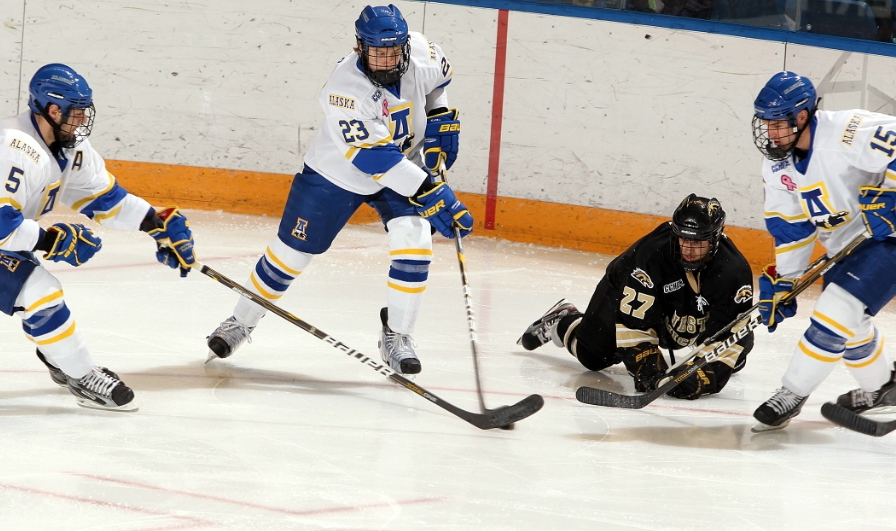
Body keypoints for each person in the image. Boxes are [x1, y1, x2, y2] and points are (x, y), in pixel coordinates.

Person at [205, 4, 472, 375]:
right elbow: (375, 162)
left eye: (392, 52)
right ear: (360, 47)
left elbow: (437, 89)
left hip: (404, 163)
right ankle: (241, 321)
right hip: (338, 173)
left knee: (415, 242)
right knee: (290, 255)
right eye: (376, 52)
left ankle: (398, 336)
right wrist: (432, 192)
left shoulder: (424, 53)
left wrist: (441, 117)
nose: (384, 60)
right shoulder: (344, 89)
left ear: (406, 47)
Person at [0, 63, 196, 411]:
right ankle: (82, 375)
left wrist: (154, 223)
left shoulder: (67, 146)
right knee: (37, 291)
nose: (81, 121)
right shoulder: (15, 146)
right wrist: (50, 241)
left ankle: (62, 361)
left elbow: (105, 198)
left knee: (33, 290)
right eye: (75, 113)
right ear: (52, 109)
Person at [750, 71, 896, 431]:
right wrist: (787, 280)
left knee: (836, 311)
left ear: (801, 116)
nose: (770, 132)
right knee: (851, 326)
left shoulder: (848, 130)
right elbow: (792, 227)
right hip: (851, 245)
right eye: (765, 123)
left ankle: (791, 392)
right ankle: (884, 390)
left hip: (890, 237)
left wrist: (893, 194)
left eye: (776, 123)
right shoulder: (777, 165)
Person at [518, 194, 754, 400]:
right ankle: (564, 320)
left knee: (739, 345)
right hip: (624, 290)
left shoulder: (733, 271)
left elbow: (730, 334)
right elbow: (635, 324)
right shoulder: (651, 256)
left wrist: (702, 376)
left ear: (714, 238)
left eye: (698, 242)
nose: (689, 249)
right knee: (593, 357)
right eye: (684, 239)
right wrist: (650, 370)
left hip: (684, 309)